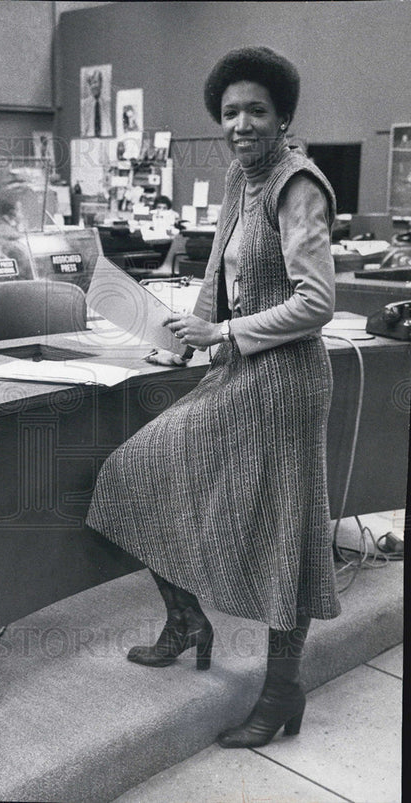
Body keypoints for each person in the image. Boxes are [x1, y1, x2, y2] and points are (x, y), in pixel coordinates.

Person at [86, 45, 340, 749]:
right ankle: (187, 618)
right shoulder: (242, 176)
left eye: (256, 110)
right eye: (229, 112)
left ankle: (282, 688)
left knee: (286, 533)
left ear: (283, 116)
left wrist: (222, 330)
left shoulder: (298, 187)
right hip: (237, 371)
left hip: (286, 383)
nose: (240, 123)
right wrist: (179, 336)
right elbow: (217, 274)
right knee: (132, 474)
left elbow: (317, 302)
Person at [81, 69, 112, 138]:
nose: (93, 86)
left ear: (101, 83)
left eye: (95, 82)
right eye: (90, 83)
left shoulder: (109, 103)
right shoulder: (84, 105)